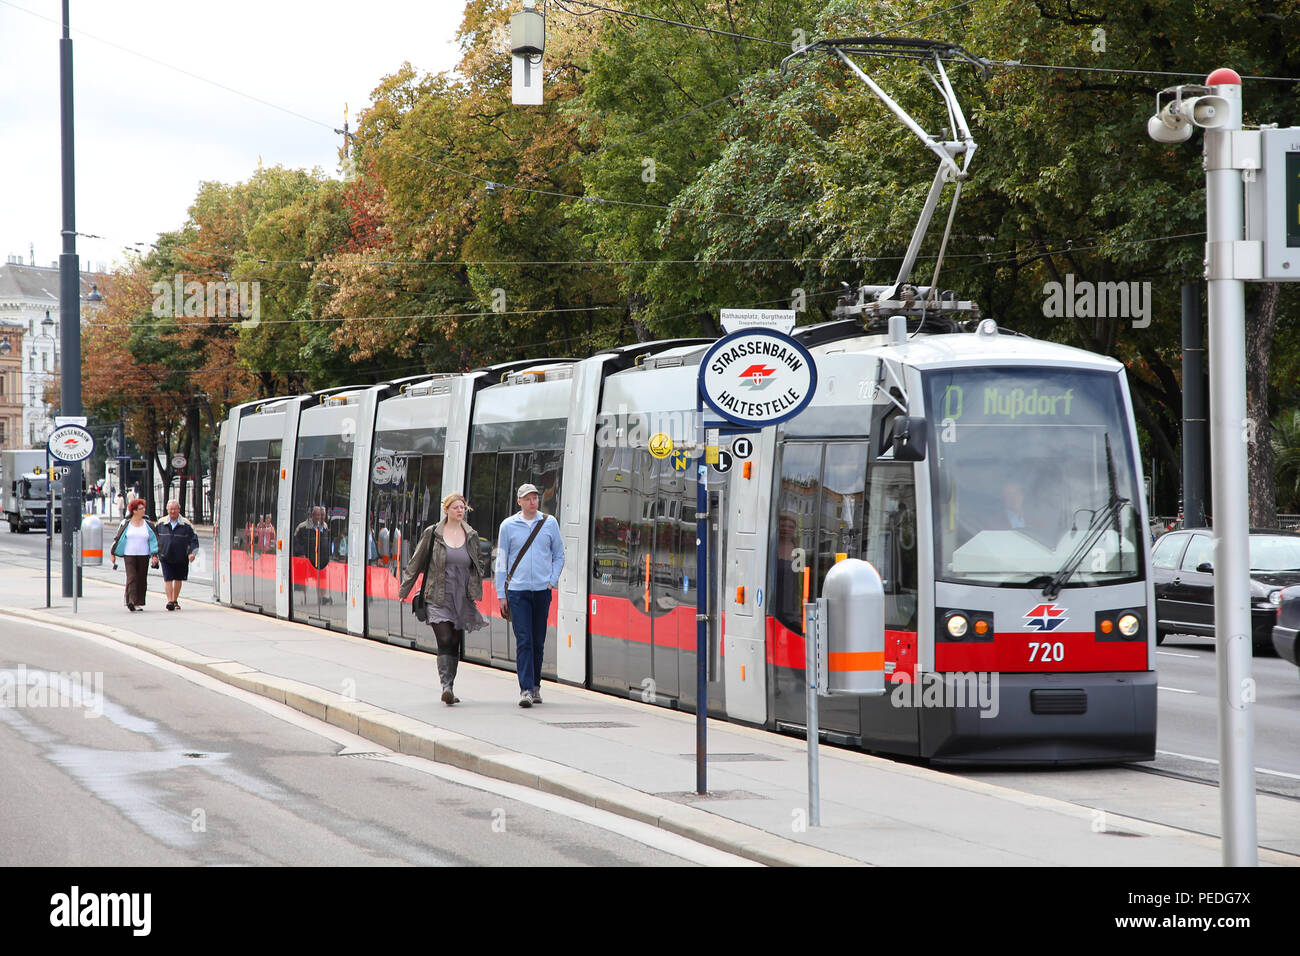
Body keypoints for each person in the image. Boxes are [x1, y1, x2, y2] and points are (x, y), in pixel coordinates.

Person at [399, 493, 487, 705]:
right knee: (445, 638)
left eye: (462, 507)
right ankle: (445, 685)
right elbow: (415, 562)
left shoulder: (471, 535)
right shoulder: (433, 533)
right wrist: (405, 590)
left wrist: (476, 581)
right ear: (446, 510)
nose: (460, 510)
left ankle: (450, 687)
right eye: (456, 507)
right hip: (437, 594)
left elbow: (478, 563)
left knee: (455, 640)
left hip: (462, 596)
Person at [495, 483, 565, 708]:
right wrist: (500, 594)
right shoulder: (508, 526)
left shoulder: (549, 523)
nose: (532, 502)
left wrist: (551, 581)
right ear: (519, 502)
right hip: (517, 592)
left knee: (538, 641)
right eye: (527, 499)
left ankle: (536, 686)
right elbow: (501, 561)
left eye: (535, 498)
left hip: (542, 592)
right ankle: (525, 690)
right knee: (524, 640)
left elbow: (559, 556)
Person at [110, 498, 158, 612]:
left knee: (141, 578)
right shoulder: (126, 524)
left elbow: (153, 540)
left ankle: (138, 602)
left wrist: (155, 555)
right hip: (129, 554)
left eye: (144, 508)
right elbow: (118, 538)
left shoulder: (148, 524)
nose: (144, 510)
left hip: (144, 555)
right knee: (131, 577)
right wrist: (113, 553)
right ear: (134, 511)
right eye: (141, 508)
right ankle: (131, 601)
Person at [155, 500, 199, 610]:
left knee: (178, 579)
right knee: (168, 578)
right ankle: (170, 601)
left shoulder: (186, 524)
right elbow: (154, 540)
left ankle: (175, 600)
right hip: (165, 555)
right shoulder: (161, 523)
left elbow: (194, 540)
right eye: (170, 509)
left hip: (181, 557)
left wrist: (192, 554)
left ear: (179, 510)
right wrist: (154, 555)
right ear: (167, 510)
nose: (173, 511)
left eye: (175, 509)